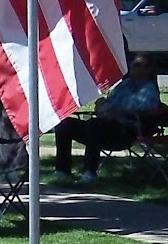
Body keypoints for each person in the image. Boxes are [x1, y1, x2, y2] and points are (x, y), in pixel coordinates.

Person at [50, 54, 161, 185]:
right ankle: (62, 170)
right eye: (132, 64)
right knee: (65, 124)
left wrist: (117, 113)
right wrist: (102, 104)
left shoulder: (149, 89)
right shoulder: (124, 85)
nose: (132, 67)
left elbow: (145, 111)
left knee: (94, 125)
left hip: (126, 130)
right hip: (105, 126)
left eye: (137, 65)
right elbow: (110, 102)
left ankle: (89, 173)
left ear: (148, 70)